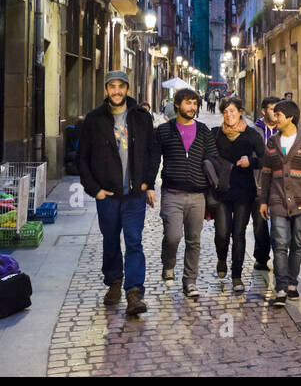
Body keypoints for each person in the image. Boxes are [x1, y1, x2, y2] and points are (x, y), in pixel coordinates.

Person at [77, 70, 160, 316]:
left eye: (120, 86)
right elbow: (82, 159)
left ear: (127, 89)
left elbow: (154, 152)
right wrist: (95, 190)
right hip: (108, 196)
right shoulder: (94, 120)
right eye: (111, 86)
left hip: (134, 195)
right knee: (111, 241)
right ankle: (113, 282)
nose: (116, 91)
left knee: (134, 241)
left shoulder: (141, 117)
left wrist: (148, 182)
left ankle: (134, 292)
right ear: (106, 90)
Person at [258, 99, 301, 306]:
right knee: (279, 244)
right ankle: (281, 288)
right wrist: (263, 201)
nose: (274, 118)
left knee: (296, 243)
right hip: (277, 201)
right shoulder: (272, 142)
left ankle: (293, 282)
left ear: (290, 117)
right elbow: (266, 174)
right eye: (273, 115)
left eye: (278, 115)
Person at [155, 87, 218, 298]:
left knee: (194, 240)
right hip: (172, 193)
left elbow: (213, 156)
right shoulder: (164, 131)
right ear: (177, 105)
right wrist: (146, 185)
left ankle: (190, 282)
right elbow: (154, 159)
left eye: (194, 103)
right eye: (188, 103)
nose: (192, 107)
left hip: (197, 196)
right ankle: (168, 264)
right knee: (172, 236)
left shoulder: (203, 131)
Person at [213, 96, 265, 293]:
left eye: (232, 111)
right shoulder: (216, 134)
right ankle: (221, 258)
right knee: (222, 233)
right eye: (225, 112)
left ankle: (236, 276)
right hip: (222, 192)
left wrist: (250, 162)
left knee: (239, 233)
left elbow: (265, 159)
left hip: (244, 191)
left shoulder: (251, 135)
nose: (229, 115)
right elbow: (208, 156)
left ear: (240, 112)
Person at [251, 96, 281, 273]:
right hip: (259, 183)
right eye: (272, 110)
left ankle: (280, 258)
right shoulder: (254, 131)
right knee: (260, 224)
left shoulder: (284, 130)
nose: (277, 114)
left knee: (279, 223)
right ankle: (261, 258)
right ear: (263, 111)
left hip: (279, 184)